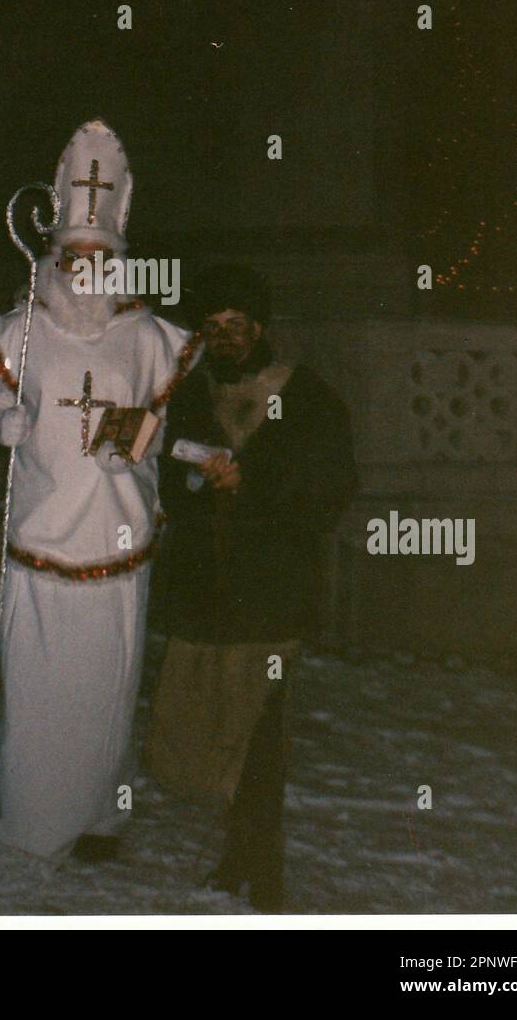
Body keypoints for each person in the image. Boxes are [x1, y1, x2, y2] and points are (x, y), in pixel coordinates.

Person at [0, 119, 200, 860]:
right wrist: (0, 414)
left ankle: (98, 814)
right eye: (74, 255)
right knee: (39, 694)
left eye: (101, 257)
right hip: (38, 537)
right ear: (55, 255)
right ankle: (35, 816)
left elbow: (159, 428)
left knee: (105, 688)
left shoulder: (150, 338)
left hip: (116, 538)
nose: (87, 270)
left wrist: (137, 446)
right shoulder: (16, 334)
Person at [146, 264, 356, 911]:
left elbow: (330, 484)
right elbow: (166, 478)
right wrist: (194, 483)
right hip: (207, 597)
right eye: (210, 327)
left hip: (271, 594)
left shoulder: (306, 395)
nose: (223, 336)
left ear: (258, 326)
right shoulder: (188, 395)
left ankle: (262, 866)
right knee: (216, 728)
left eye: (234, 324)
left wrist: (253, 486)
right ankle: (236, 855)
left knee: (262, 732)